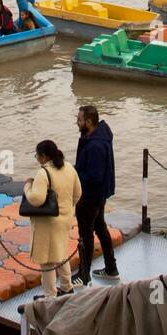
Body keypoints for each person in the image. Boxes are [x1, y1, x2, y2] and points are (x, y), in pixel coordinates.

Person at [23, 140, 82, 299]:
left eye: (37, 156)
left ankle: (50, 297)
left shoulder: (43, 173)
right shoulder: (69, 167)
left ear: (43, 157)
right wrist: (67, 209)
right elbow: (78, 193)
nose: (37, 159)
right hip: (65, 220)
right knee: (61, 254)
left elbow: (36, 199)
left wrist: (27, 187)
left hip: (47, 224)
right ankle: (67, 287)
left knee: (47, 261)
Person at [73, 106, 118, 285]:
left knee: (86, 234)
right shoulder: (98, 136)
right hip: (100, 194)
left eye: (79, 120)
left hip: (90, 196)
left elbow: (94, 176)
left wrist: (73, 173)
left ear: (89, 122)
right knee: (100, 228)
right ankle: (111, 267)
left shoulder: (95, 146)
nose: (77, 123)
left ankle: (84, 275)